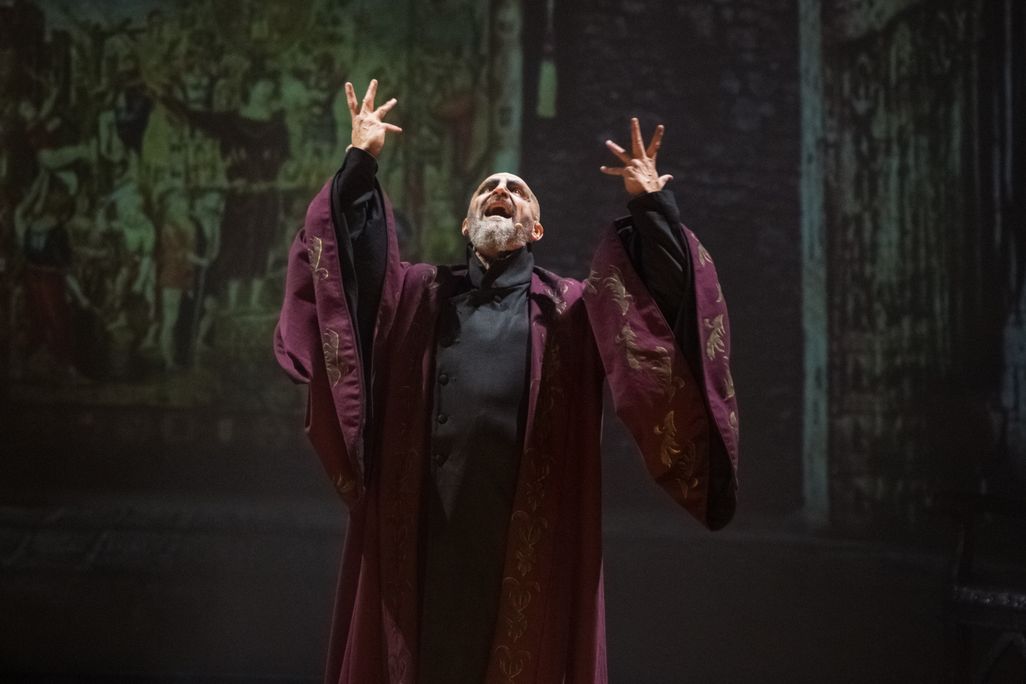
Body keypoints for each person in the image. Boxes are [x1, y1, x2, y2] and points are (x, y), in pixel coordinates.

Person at [274, 80, 739, 684]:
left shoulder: (572, 311)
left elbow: (659, 321)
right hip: (422, 539)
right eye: (487, 189)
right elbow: (350, 274)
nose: (500, 192)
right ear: (468, 226)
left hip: (524, 542)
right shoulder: (418, 294)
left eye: (516, 191)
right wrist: (360, 163)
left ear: (536, 230)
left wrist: (652, 208)